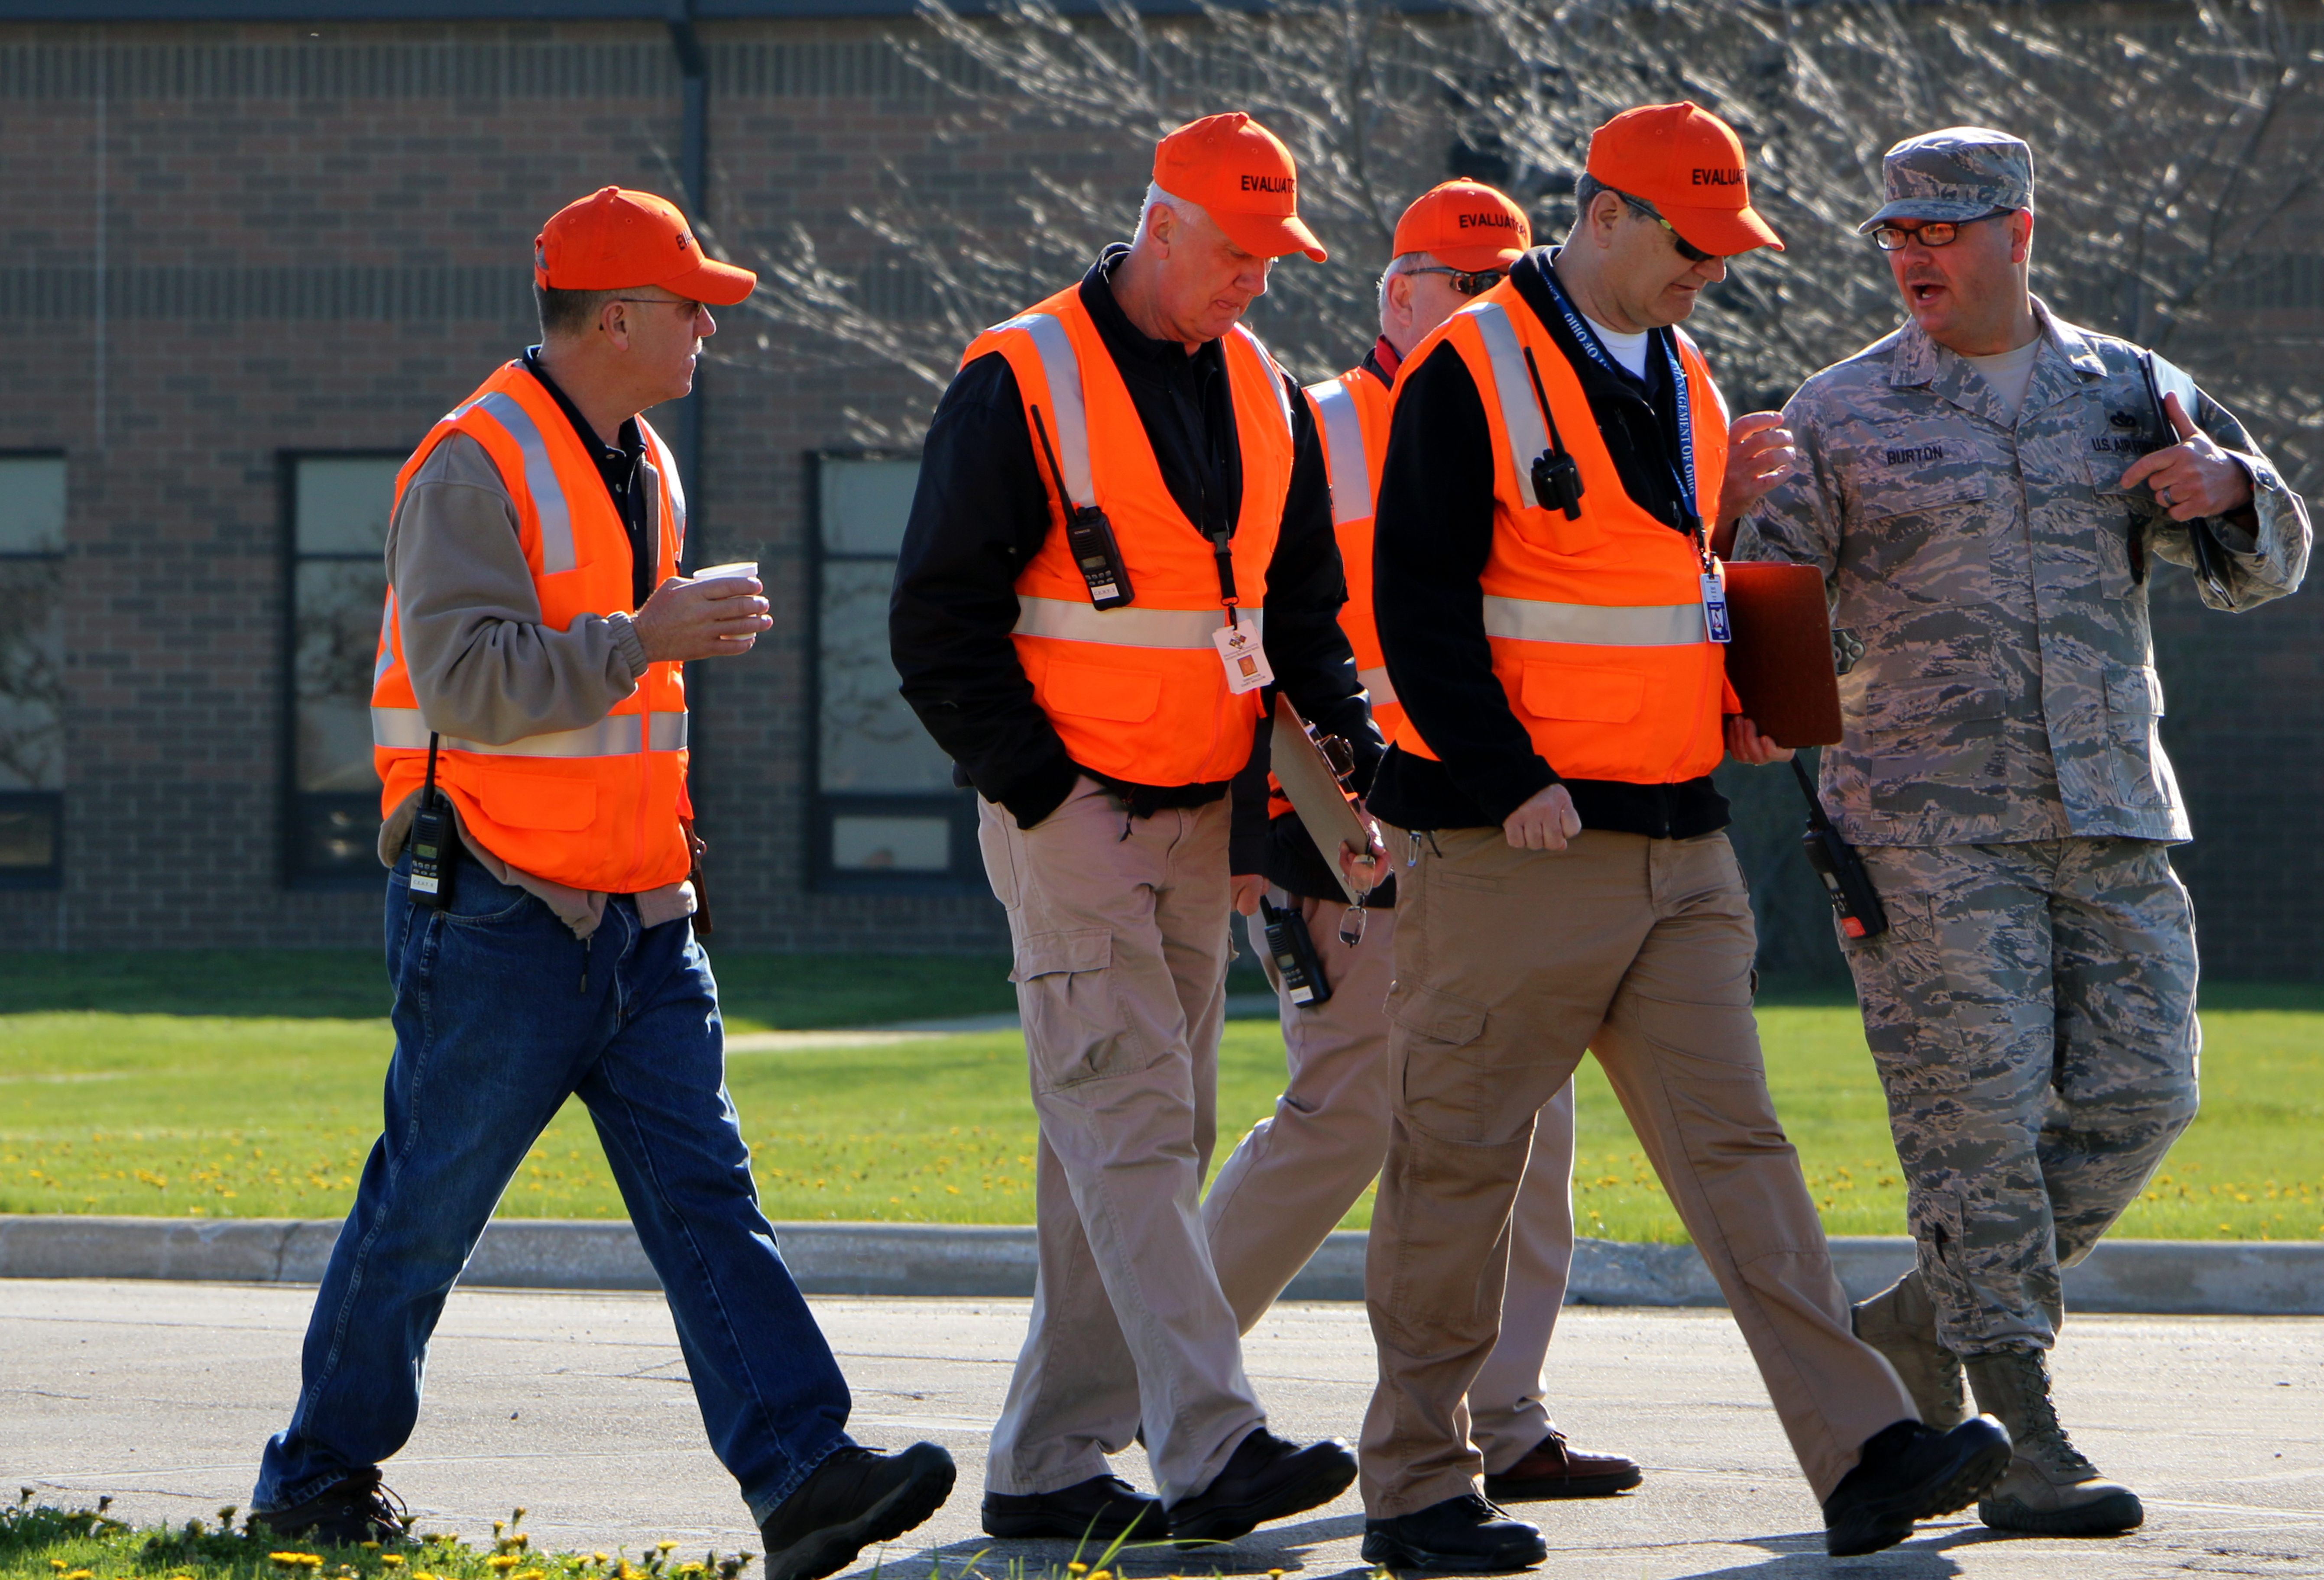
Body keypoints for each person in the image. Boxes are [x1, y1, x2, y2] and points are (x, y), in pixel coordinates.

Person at [249, 187, 955, 1580]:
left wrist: (659, 726)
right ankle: (316, 1478)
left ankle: (803, 1472)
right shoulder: (472, 465)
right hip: (500, 917)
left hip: (640, 919)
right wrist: (643, 636)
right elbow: (466, 681)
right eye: (694, 307)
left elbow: (609, 684)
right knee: (424, 1214)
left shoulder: (649, 459)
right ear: (617, 317)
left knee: (711, 1201)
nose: (709, 329)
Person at [1355, 102, 2015, 1573]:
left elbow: (1675, 592)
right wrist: (1506, 772)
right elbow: (1415, 606)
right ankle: (1413, 1484)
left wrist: (1741, 698)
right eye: (1690, 242)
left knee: (1743, 1154)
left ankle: (1865, 1453)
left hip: (1679, 835)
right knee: (1460, 1161)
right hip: (1515, 840)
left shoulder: (1692, 378)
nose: (1709, 272)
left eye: (1726, 247)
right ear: (1603, 215)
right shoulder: (1471, 367)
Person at [1728, 127, 2311, 1538]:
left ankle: (1923, 1325)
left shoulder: (2131, 390)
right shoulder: (1843, 410)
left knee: (2143, 1096)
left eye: (1945, 230)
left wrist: (2236, 494)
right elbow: (1758, 591)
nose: (1916, 256)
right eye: (1898, 236)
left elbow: (2265, 566)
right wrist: (1733, 530)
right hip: (1925, 825)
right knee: (1975, 1127)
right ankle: (2021, 1423)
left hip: (2110, 805)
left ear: (2019, 234)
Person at [890, 114, 1377, 1546]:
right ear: (1161, 225)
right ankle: (1212, 1447)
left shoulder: (1268, 392)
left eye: (1274, 258)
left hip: (1199, 819)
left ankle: (1046, 1462)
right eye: (1236, 251)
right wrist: (1045, 797)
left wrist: (1349, 776)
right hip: (1077, 821)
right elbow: (936, 625)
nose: (1255, 281)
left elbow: (1295, 627)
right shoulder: (1018, 379)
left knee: (1122, 1147)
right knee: (1137, 1133)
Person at [1206, 179, 1641, 1507]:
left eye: (1514, 284)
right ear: (1400, 295)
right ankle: (1141, 1379)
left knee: (1532, 1134)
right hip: (1348, 841)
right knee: (1340, 1118)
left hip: (1502, 840)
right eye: (1472, 285)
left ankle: (1503, 1422)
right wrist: (1279, 833)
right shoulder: (1313, 428)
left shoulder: (1536, 421)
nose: (1502, 306)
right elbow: (1241, 647)